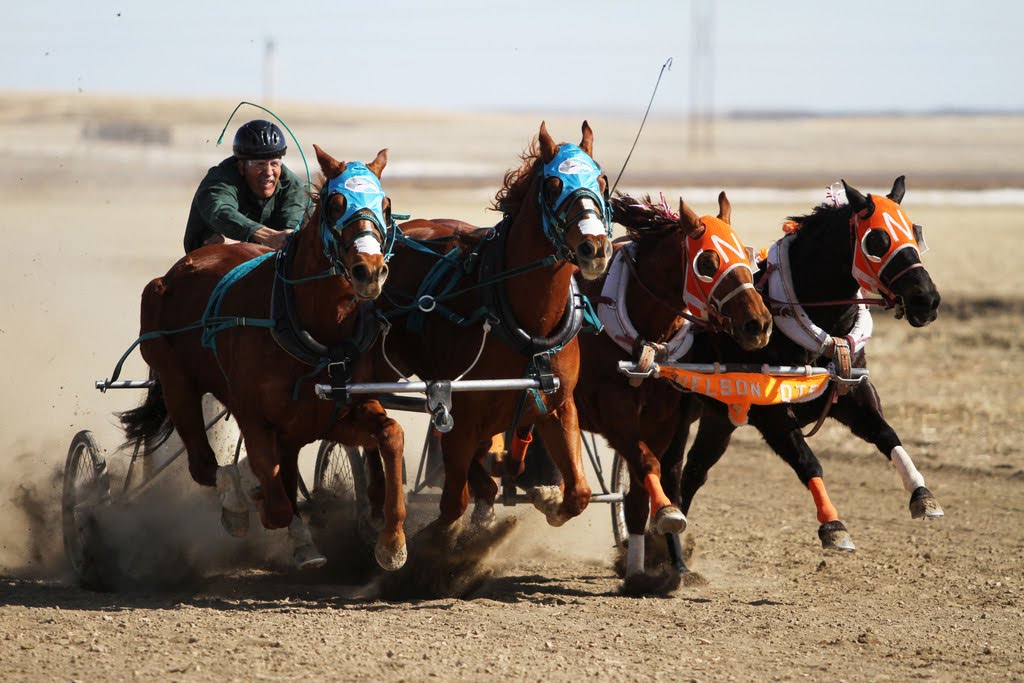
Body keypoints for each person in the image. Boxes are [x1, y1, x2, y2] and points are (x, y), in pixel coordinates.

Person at [183, 119, 310, 253]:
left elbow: (285, 240)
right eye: (259, 164)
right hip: (210, 259)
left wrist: (234, 243)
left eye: (274, 164)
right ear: (241, 167)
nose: (268, 173)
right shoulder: (220, 179)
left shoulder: (296, 188)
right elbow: (219, 211)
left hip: (273, 265)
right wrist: (268, 236)